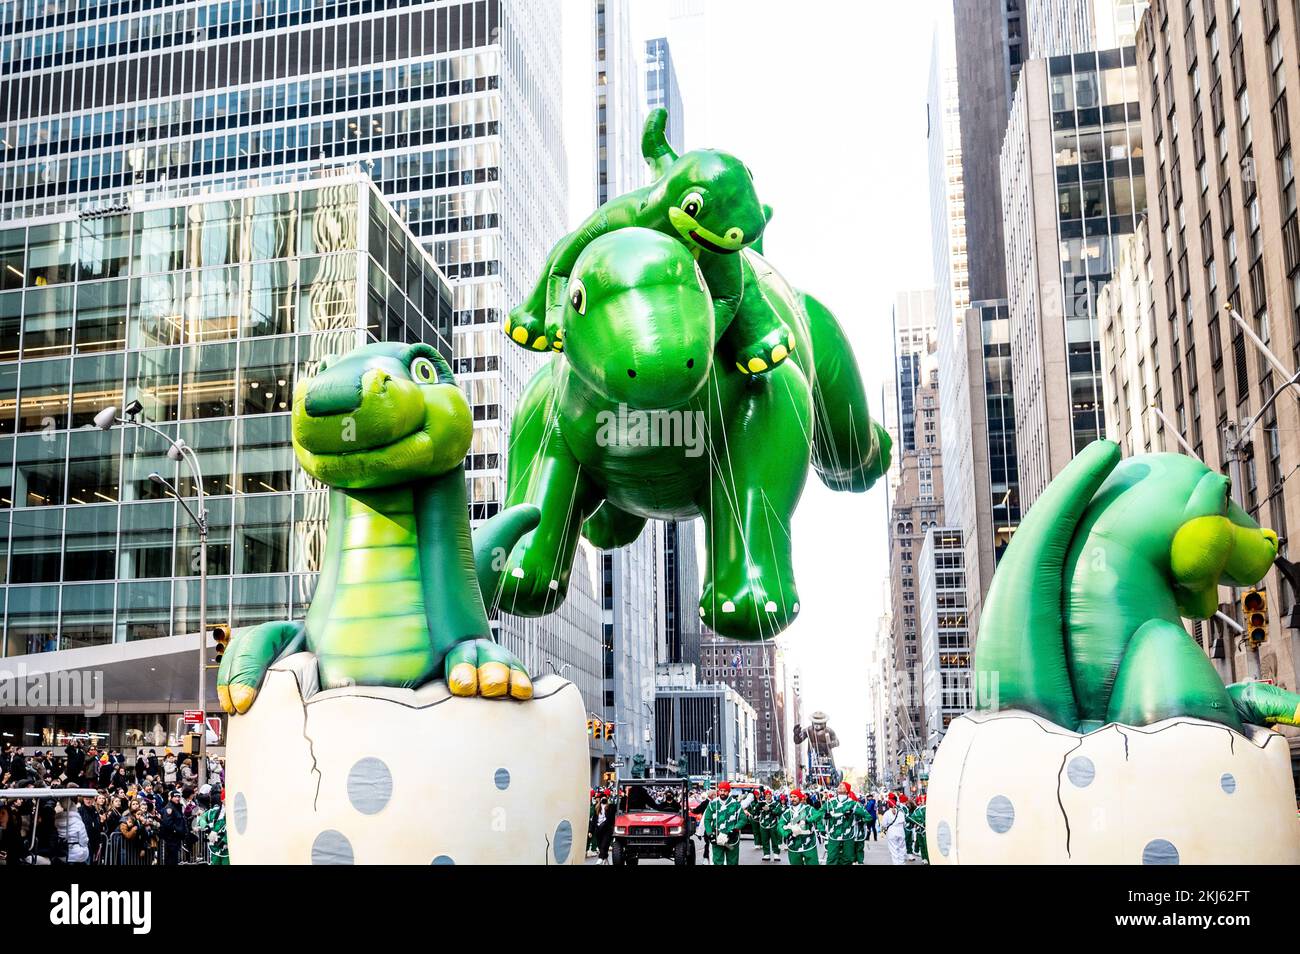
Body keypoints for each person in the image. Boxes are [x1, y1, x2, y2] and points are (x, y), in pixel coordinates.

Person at [700, 780, 746, 865]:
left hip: (732, 838)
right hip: (717, 837)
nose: (722, 793)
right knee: (717, 861)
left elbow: (743, 819)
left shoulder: (736, 804)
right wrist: (710, 834)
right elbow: (707, 820)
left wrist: (735, 829)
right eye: (721, 790)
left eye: (725, 791)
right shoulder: (713, 804)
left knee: (733, 861)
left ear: (729, 791)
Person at [777, 789, 823, 865]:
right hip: (793, 845)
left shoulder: (808, 809)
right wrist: (787, 834)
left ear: (800, 798)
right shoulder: (787, 812)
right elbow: (780, 826)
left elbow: (818, 815)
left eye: (795, 797)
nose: (793, 799)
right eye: (791, 797)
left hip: (809, 844)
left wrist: (807, 820)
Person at [879, 794, 908, 865]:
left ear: (888, 805)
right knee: (902, 848)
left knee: (893, 849)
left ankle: (896, 863)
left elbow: (884, 824)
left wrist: (884, 830)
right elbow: (904, 823)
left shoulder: (887, 813)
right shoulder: (901, 812)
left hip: (892, 832)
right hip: (901, 831)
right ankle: (902, 863)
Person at [160, 790, 188, 865]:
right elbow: (168, 823)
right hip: (171, 837)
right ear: (171, 798)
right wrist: (177, 831)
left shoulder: (177, 807)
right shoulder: (169, 808)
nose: (177, 798)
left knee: (174, 858)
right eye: (175, 797)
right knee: (171, 859)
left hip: (176, 838)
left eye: (179, 797)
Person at [592, 791, 615, 864]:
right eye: (602, 798)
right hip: (598, 829)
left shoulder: (611, 807)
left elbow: (612, 817)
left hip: (607, 829)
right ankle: (605, 858)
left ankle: (600, 858)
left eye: (605, 798)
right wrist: (590, 830)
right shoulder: (596, 807)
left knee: (604, 844)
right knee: (600, 845)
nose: (604, 799)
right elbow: (594, 820)